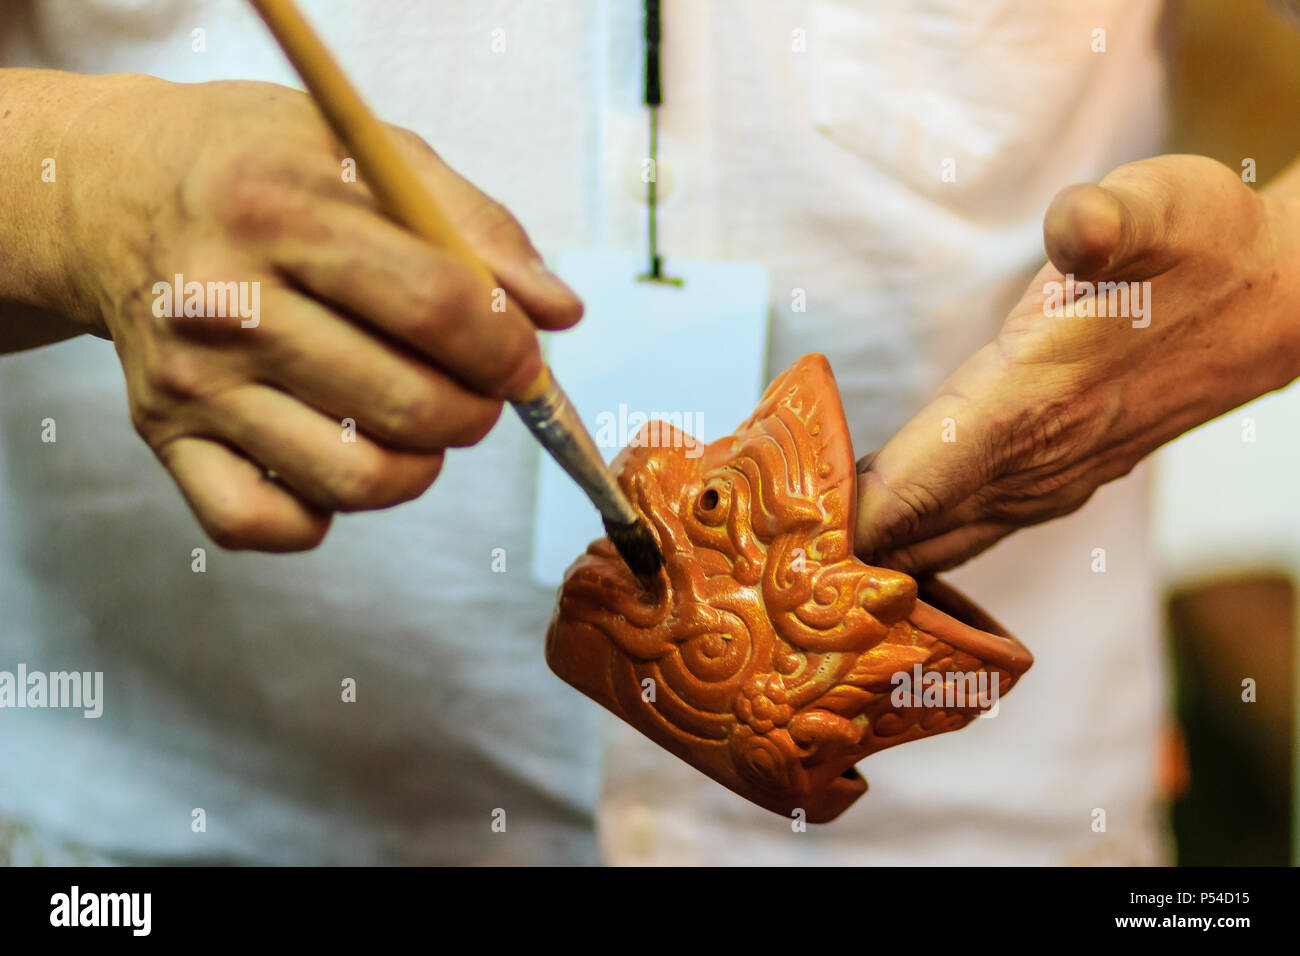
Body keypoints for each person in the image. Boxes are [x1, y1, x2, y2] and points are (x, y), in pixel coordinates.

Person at [0, 0, 1292, 865]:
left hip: (992, 829)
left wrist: (1280, 281)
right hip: (191, 818)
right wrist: (74, 195)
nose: (661, 460)